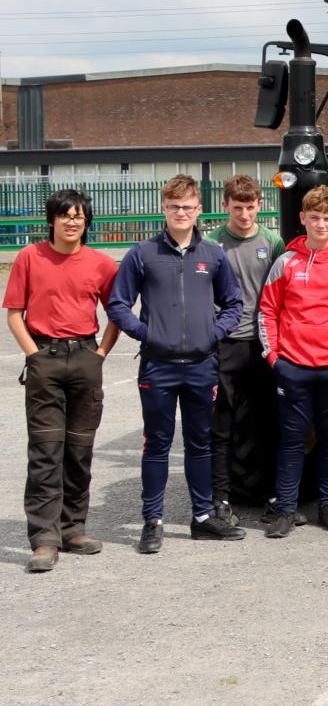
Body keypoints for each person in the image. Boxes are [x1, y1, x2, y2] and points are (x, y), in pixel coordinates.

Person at [107, 174, 247, 553]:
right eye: (174, 207)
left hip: (202, 363)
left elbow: (235, 303)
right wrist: (146, 333)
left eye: (187, 207)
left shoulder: (213, 255)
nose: (181, 212)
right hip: (159, 365)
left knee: (200, 444)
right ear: (164, 209)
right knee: (157, 445)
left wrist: (213, 334)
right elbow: (118, 303)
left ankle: (202, 517)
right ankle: (152, 521)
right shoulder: (143, 253)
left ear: (199, 210)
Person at [7, 191, 121, 572]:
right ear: (51, 220)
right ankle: (44, 539)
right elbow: (15, 313)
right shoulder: (29, 257)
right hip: (45, 360)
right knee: (45, 453)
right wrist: (33, 355)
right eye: (65, 216)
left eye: (79, 216)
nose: (72, 222)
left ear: (87, 222)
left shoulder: (102, 264)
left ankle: (73, 528)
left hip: (86, 359)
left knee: (79, 451)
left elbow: (116, 313)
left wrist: (100, 353)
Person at [257, 185, 328, 537]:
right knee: (291, 440)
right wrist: (274, 357)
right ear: (303, 218)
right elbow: (267, 311)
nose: (321, 224)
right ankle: (286, 510)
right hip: (293, 367)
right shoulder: (285, 262)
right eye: (314, 217)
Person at [208, 174, 282, 524]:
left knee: (268, 421)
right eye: (237, 207)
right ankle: (221, 498)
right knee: (221, 423)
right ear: (225, 206)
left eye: (250, 207)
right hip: (226, 343)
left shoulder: (272, 241)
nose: (244, 214)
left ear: (259, 206)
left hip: (263, 344)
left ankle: (272, 493)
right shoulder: (212, 243)